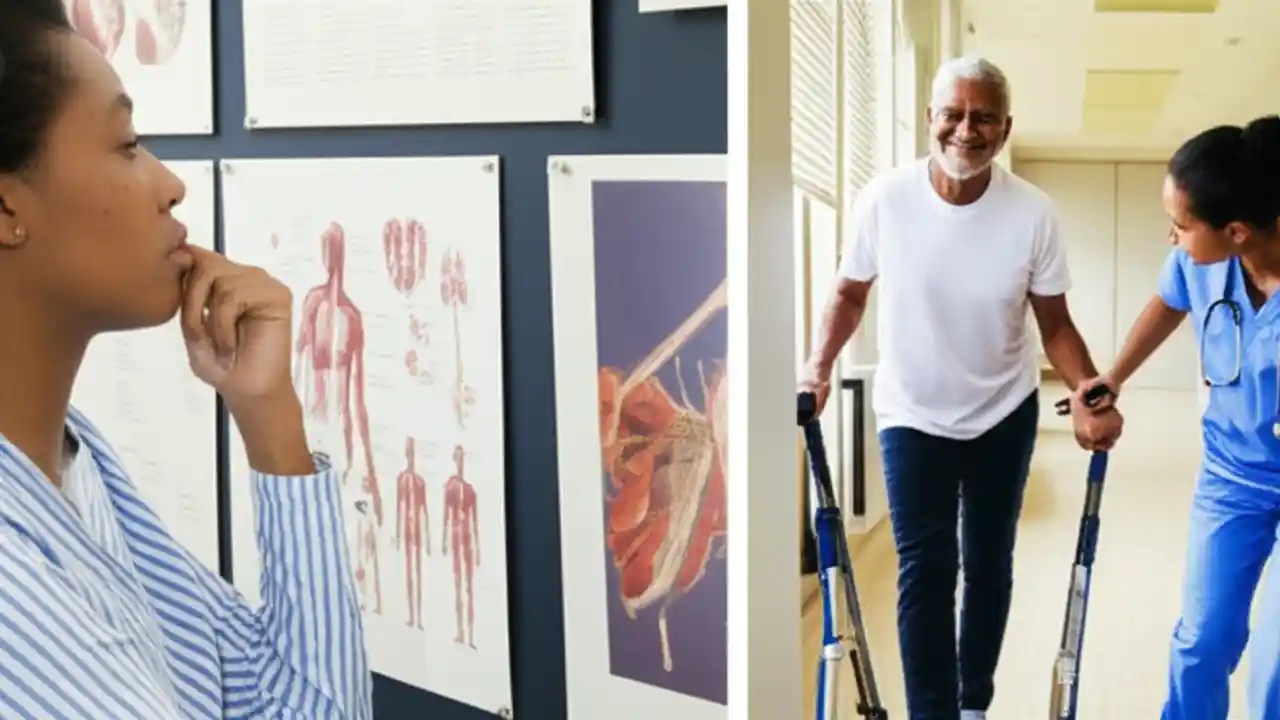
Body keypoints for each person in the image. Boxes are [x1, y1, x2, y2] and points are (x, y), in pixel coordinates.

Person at [0, 2, 371, 717]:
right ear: (7, 209)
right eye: (128, 145)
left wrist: (270, 419)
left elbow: (309, 710)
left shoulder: (79, 465)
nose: (169, 184)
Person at [799, 55, 1121, 720]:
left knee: (988, 563)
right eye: (953, 113)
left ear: (1005, 128)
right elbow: (849, 294)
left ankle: (973, 702)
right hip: (911, 413)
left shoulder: (1033, 213)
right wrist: (817, 365)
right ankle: (933, 713)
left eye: (982, 117)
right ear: (930, 119)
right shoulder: (885, 199)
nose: (965, 130)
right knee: (926, 569)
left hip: (1003, 410)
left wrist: (1089, 385)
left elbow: (1053, 322)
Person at [1070, 116, 1280, 720]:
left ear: (1237, 231)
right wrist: (1114, 376)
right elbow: (1167, 303)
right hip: (1232, 477)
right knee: (1200, 641)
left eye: (1181, 227)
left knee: (1275, 666)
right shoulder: (1203, 264)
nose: (1172, 238)